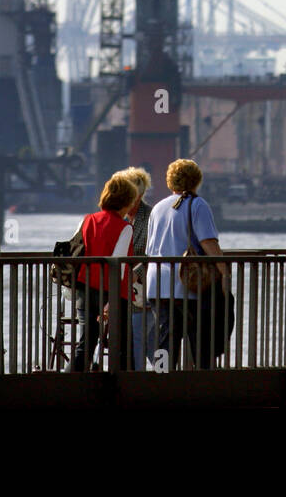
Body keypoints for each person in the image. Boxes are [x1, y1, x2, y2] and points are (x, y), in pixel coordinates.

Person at [145, 159, 227, 369]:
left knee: (164, 337)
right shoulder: (197, 204)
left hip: (156, 285)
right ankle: (201, 382)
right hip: (186, 285)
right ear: (196, 180)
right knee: (200, 337)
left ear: (170, 181)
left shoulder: (157, 208)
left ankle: (161, 380)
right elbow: (208, 241)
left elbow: (149, 249)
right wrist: (223, 270)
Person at [68, 173, 139, 372]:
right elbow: (119, 267)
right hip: (112, 295)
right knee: (123, 346)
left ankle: (69, 386)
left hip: (84, 288)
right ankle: (126, 388)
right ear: (126, 202)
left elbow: (74, 250)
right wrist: (110, 302)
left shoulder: (87, 220)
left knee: (86, 343)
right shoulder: (124, 228)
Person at [118, 167, 154, 371]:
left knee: (140, 338)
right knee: (149, 342)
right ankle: (166, 375)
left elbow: (154, 253)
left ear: (139, 196)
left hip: (143, 290)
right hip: (124, 292)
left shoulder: (151, 217)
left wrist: (136, 275)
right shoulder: (120, 218)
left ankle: (139, 381)